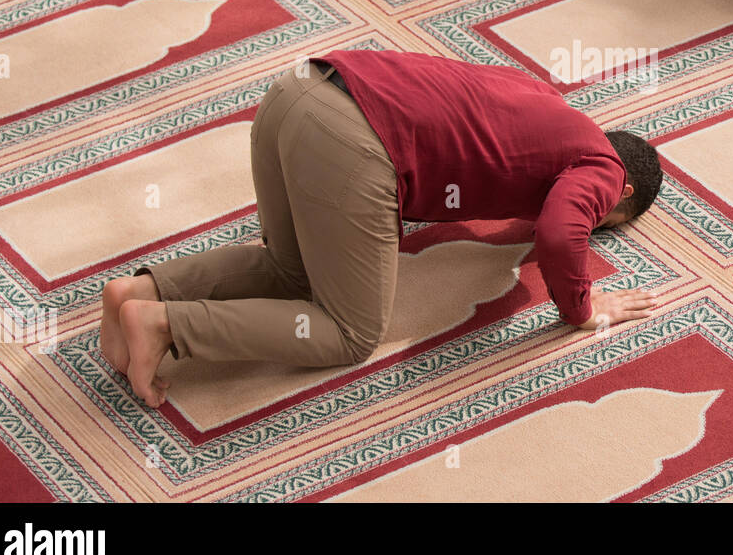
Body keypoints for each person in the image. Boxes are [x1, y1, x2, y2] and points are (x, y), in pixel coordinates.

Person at [100, 49, 664, 408]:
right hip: (356, 142)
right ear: (625, 193)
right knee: (349, 332)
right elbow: (562, 234)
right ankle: (165, 326)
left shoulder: (540, 98)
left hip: (299, 90)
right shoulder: (605, 168)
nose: (597, 221)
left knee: (292, 270)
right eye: (607, 221)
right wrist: (584, 311)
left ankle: (139, 292)